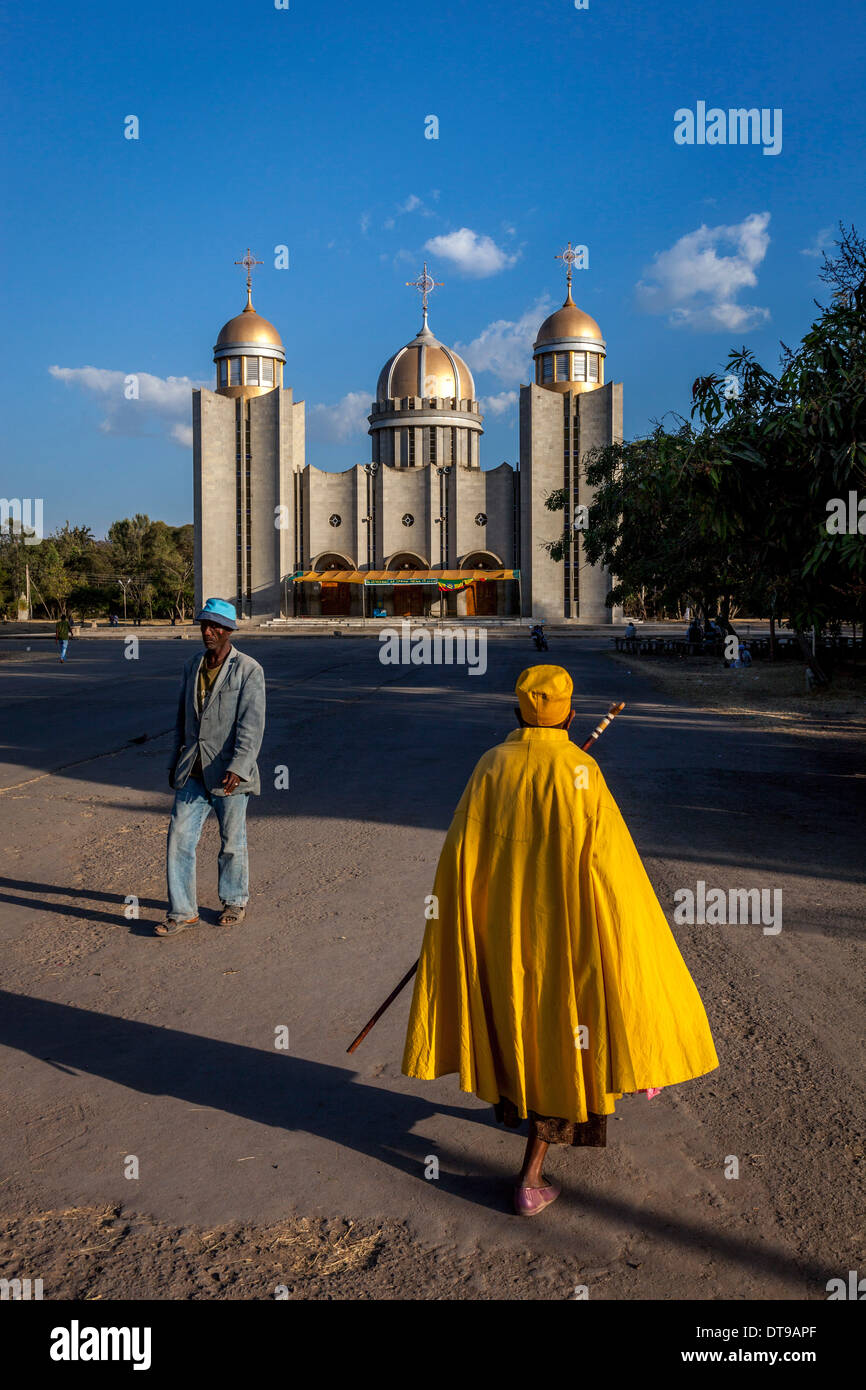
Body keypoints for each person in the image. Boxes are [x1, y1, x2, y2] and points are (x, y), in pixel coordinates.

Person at [402, 665, 718, 1216]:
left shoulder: (490, 767)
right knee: (558, 1046)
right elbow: (613, 873)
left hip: (501, 936)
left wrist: (453, 922)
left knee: (514, 1021)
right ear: (571, 716)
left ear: (516, 711)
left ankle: (520, 1115)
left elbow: (460, 857)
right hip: (561, 939)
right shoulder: (581, 771)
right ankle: (529, 1180)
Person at [156, 598, 266, 937]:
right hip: (192, 771)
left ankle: (234, 901)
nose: (208, 631)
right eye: (204, 625)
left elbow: (252, 724)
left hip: (230, 774)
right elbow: (181, 718)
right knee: (179, 841)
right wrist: (175, 759)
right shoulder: (192, 666)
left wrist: (240, 766)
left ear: (229, 630)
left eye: (215, 626)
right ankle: (182, 911)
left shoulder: (248, 669)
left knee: (232, 841)